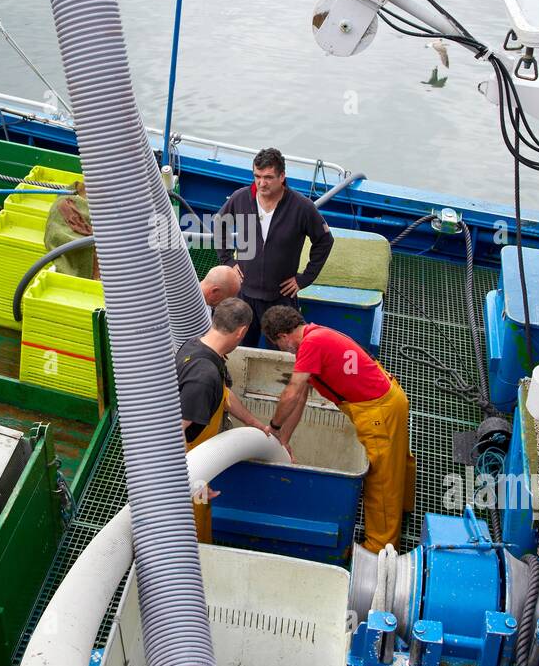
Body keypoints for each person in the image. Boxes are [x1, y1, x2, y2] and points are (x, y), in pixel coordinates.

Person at [261, 306, 415, 555]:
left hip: (378, 411)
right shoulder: (316, 336)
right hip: (387, 400)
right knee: (397, 462)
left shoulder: (310, 345)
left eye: (278, 344)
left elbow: (291, 391)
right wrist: (283, 439)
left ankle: (379, 549)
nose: (282, 349)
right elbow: (301, 397)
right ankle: (404, 508)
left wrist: (274, 426)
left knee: (382, 479)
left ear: (282, 336)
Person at [214, 146, 333, 347]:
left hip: (281, 299)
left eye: (268, 177)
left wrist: (304, 278)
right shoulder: (241, 198)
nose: (261, 183)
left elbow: (324, 240)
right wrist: (228, 261)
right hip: (244, 295)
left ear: (282, 176)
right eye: (257, 176)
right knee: (238, 350)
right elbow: (220, 224)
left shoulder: (302, 207)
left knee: (282, 356)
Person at [176, 297, 269, 542]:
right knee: (192, 529)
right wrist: (194, 479)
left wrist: (256, 425)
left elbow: (225, 396)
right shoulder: (203, 377)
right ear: (242, 332)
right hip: (187, 470)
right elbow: (172, 435)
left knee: (204, 516)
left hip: (200, 464)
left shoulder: (197, 347)